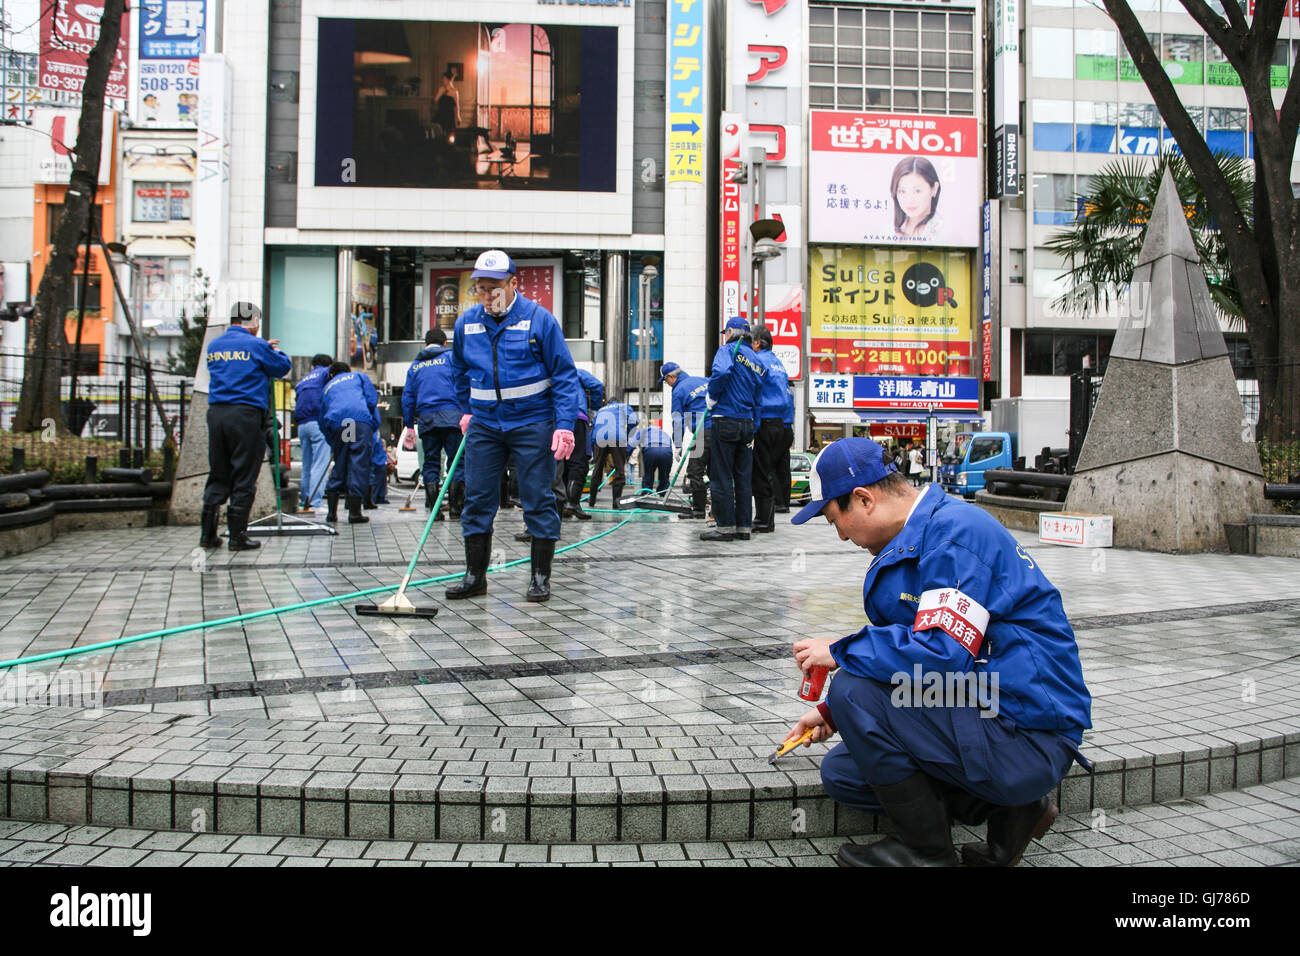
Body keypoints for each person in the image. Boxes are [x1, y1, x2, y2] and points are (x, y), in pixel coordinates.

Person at [781, 438, 1092, 868]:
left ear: (864, 499)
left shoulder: (955, 534)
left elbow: (942, 655)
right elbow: (912, 658)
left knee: (852, 687)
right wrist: (833, 713)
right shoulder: (919, 535)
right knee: (845, 773)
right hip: (987, 707)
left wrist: (839, 651)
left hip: (1026, 730)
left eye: (837, 520)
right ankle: (1014, 808)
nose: (842, 536)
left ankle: (926, 853)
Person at [447, 250, 582, 603]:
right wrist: (466, 410)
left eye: (494, 288)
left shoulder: (540, 320)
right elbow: (458, 370)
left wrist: (564, 425)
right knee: (477, 498)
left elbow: (564, 376)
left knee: (537, 497)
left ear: (513, 284)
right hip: (485, 424)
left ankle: (540, 577)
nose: (487, 295)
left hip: (533, 421)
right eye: (480, 288)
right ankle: (475, 577)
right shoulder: (466, 324)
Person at [200, 302, 292, 551]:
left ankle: (207, 534)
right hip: (245, 414)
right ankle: (237, 536)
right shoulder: (257, 345)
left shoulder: (215, 345)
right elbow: (282, 367)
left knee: (218, 472)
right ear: (252, 321)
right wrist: (273, 350)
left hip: (217, 413)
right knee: (244, 473)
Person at [702, 316, 765, 542]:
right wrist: (755, 424)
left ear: (730, 332)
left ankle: (725, 528)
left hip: (725, 418)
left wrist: (712, 396)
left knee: (721, 476)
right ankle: (743, 527)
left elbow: (720, 372)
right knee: (743, 478)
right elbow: (759, 396)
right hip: (747, 422)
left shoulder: (728, 350)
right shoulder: (757, 360)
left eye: (725, 333)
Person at [402, 328, 464, 518]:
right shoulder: (451, 358)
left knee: (430, 463)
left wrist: (409, 425)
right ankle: (456, 508)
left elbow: (407, 398)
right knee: (457, 461)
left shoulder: (415, 366)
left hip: (426, 419)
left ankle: (434, 511)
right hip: (452, 417)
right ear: (445, 343)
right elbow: (464, 383)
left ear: (425, 344)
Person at [320, 361, 380, 524]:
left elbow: (322, 418)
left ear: (331, 374)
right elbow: (372, 400)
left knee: (341, 463)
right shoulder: (359, 376)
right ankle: (354, 513)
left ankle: (331, 513)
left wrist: (332, 441)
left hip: (338, 423)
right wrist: (371, 424)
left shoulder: (326, 388)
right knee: (358, 464)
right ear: (348, 370)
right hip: (359, 421)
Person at [750, 326, 790, 534]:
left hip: (764, 421)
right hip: (779, 423)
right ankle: (767, 519)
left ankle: (763, 520)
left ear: (757, 343)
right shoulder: (777, 363)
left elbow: (753, 388)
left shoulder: (758, 361)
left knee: (760, 472)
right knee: (770, 470)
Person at [660, 362, 710, 519]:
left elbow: (677, 420)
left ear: (671, 377)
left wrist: (678, 445)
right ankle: (718, 512)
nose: (667, 384)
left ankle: (699, 511)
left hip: (703, 431)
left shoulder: (678, 390)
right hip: (720, 426)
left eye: (665, 381)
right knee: (717, 471)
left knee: (694, 471)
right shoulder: (704, 380)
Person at [562, 368, 604, 521]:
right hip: (576, 417)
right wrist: (593, 409)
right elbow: (597, 386)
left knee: (561, 462)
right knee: (578, 461)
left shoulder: (547, 371)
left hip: (554, 419)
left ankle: (562, 504)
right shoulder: (574, 371)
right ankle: (572, 503)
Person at [294, 354, 333, 513]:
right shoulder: (326, 373)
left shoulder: (303, 380)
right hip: (318, 422)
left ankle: (305, 501)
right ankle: (315, 502)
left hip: (302, 425)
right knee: (320, 464)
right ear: (329, 365)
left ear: (312, 366)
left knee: (307, 466)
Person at [588, 398, 637, 510]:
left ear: (607, 403)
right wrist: (627, 435)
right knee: (619, 469)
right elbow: (634, 421)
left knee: (597, 469)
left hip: (599, 438)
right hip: (617, 437)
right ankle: (616, 503)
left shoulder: (600, 410)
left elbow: (593, 430)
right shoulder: (623, 406)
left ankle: (592, 501)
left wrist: (594, 453)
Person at [891, 156, 942, 238]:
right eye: (902, 191)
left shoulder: (945, 233)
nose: (909, 200)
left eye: (917, 191)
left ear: (934, 189)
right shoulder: (889, 231)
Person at [627, 422, 674, 493]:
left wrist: (625, 456)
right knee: (664, 477)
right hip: (666, 451)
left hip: (651, 450)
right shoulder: (664, 433)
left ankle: (647, 493)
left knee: (648, 475)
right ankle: (663, 494)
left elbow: (631, 444)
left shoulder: (642, 431)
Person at [776, 383, 795, 513]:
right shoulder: (787, 388)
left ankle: (778, 502)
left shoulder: (773, 384)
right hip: (788, 429)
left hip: (776, 426)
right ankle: (784, 503)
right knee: (784, 468)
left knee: (768, 467)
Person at [434, 69, 460, 141]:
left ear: (449, 80)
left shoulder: (455, 91)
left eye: (444, 78)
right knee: (440, 134)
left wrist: (458, 116)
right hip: (440, 114)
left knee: (450, 135)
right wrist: (441, 93)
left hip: (450, 116)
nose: (442, 80)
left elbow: (457, 105)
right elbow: (435, 101)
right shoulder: (441, 89)